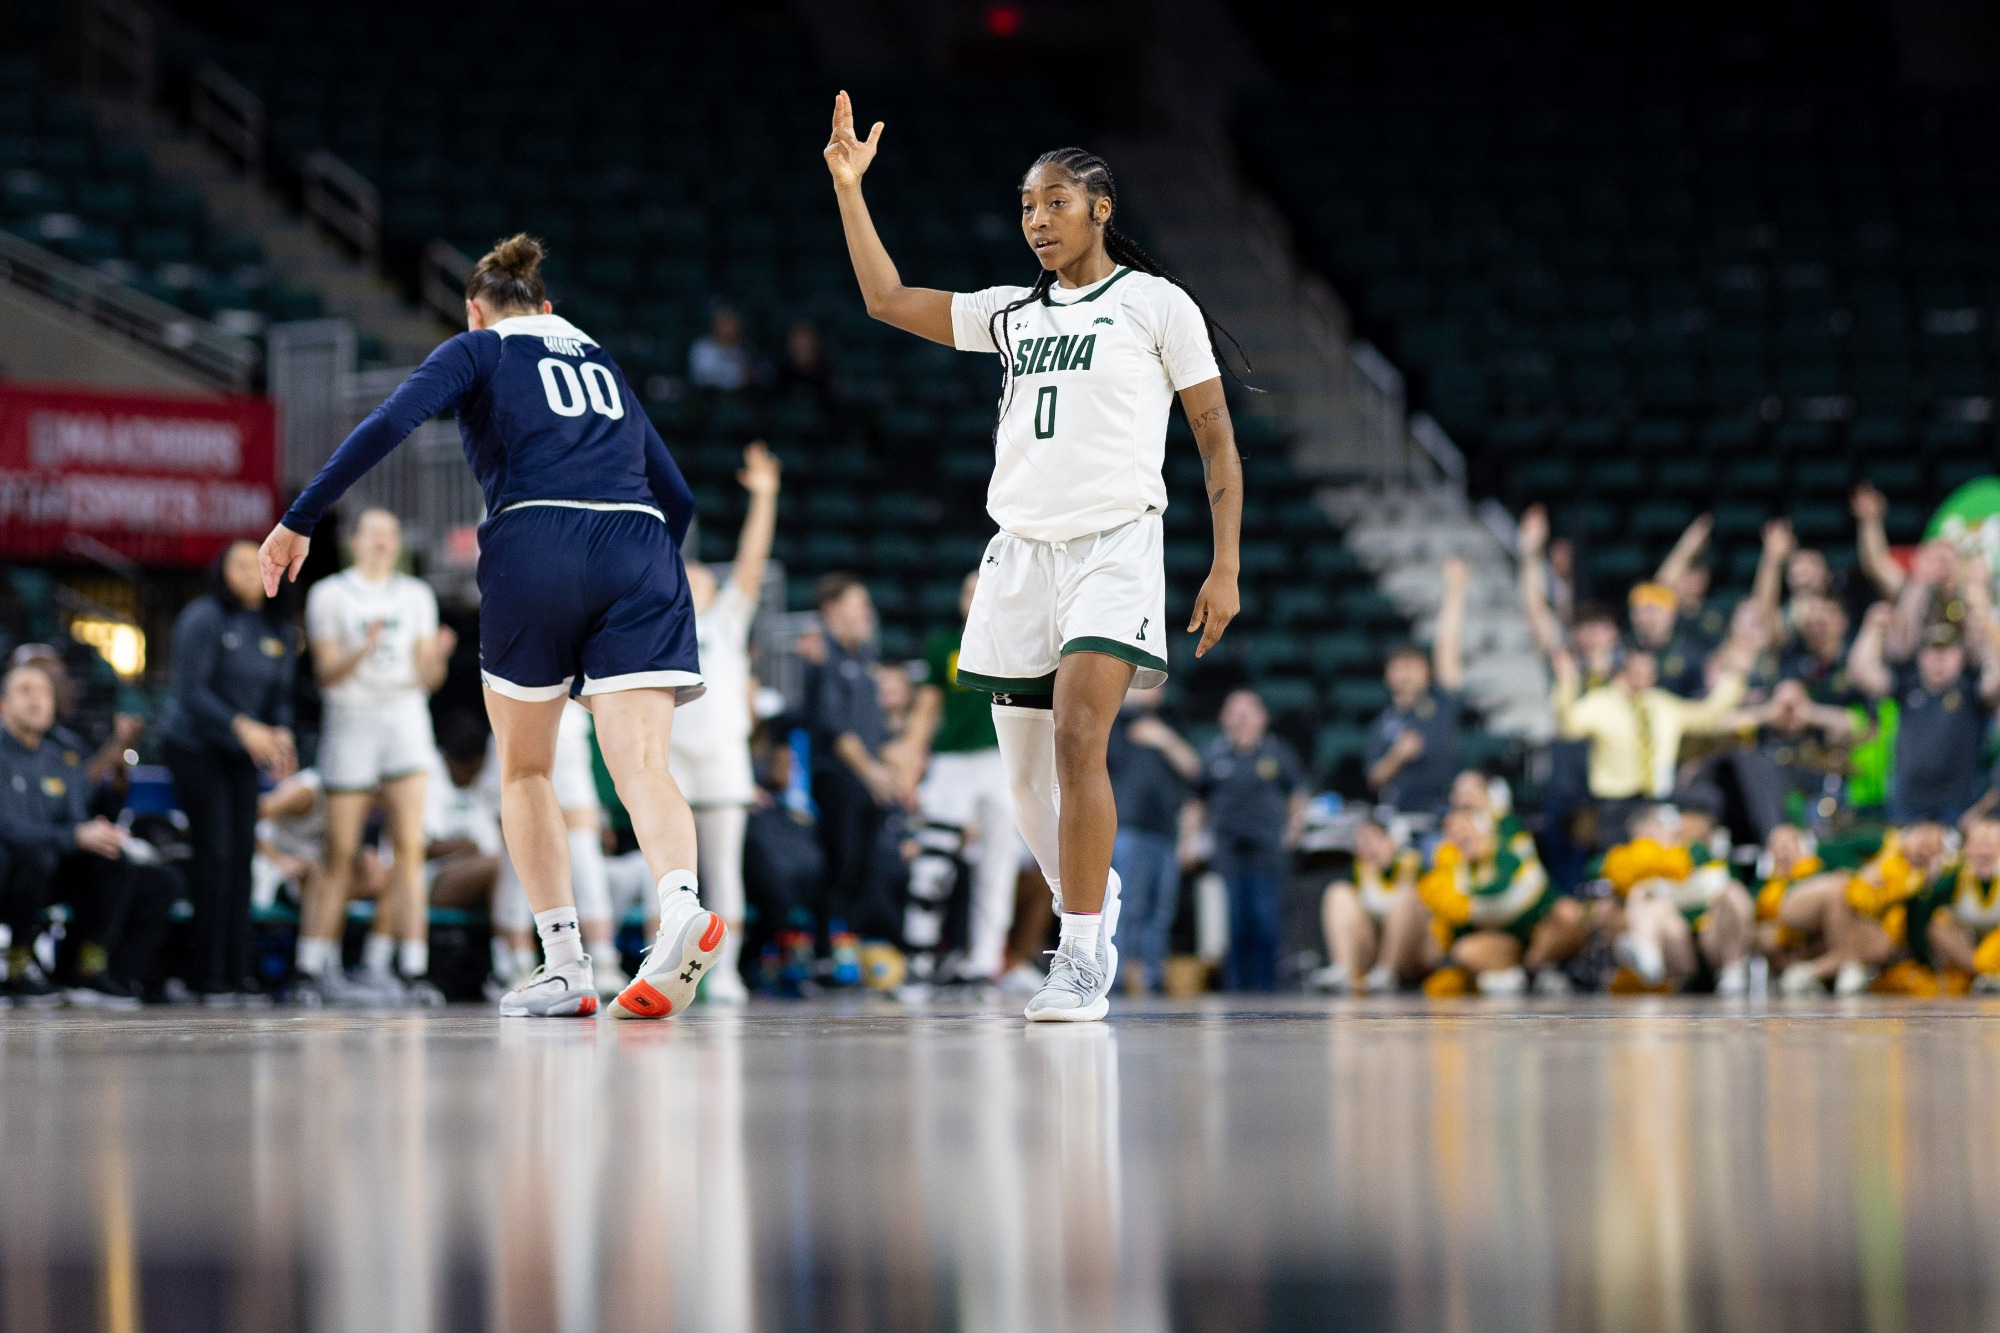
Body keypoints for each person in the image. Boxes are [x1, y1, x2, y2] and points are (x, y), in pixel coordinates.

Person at [824, 93, 1243, 1021]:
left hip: (1114, 545)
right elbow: (886, 301)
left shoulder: (1155, 304)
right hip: (1018, 554)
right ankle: (1089, 901)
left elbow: (1214, 436)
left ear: (1100, 208)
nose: (1036, 220)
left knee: (1077, 737)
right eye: (1025, 206)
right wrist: (851, 190)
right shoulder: (1013, 313)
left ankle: (1082, 953)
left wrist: (1225, 565)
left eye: (1055, 201)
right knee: (1022, 781)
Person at [259, 234, 724, 1020]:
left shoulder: (478, 349)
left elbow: (390, 421)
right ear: (547, 308)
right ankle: (679, 906)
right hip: (641, 543)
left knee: (526, 769)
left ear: (476, 312)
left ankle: (566, 964)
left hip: (535, 538)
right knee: (642, 762)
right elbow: (674, 493)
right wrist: (633, 591)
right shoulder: (600, 358)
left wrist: (300, 518)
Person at [296, 507, 455, 1004]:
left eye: (391, 533)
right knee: (339, 847)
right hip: (352, 717)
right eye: (374, 533)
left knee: (409, 845)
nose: (383, 541)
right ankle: (311, 963)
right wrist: (362, 650)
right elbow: (324, 674)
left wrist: (435, 660)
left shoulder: (417, 595)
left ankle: (411, 965)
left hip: (405, 716)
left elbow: (430, 680)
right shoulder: (330, 593)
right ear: (355, 542)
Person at [159, 539, 299, 1003]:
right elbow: (191, 693)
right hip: (196, 747)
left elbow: (280, 695)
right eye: (237, 564)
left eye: (253, 564)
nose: (247, 573)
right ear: (222, 572)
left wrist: (280, 732)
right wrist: (243, 728)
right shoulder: (204, 617)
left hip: (243, 756)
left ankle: (238, 974)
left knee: (242, 858)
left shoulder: (277, 627)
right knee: (215, 855)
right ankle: (204, 975)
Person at [667, 441, 779, 1003]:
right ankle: (661, 966)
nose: (697, 580)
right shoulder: (658, 627)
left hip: (723, 758)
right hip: (671, 760)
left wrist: (765, 497)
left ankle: (727, 971)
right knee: (668, 876)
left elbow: (752, 561)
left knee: (723, 871)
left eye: (703, 576)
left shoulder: (728, 621)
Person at [901, 571, 1030, 984]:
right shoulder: (944, 645)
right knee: (932, 864)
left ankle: (984, 960)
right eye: (967, 590)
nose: (972, 597)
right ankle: (919, 957)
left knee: (998, 864)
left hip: (1000, 761)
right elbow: (925, 709)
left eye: (981, 590)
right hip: (951, 763)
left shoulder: (1017, 639)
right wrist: (910, 764)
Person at [0, 663, 131, 1005]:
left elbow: (76, 818)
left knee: (112, 860)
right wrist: (73, 836)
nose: (36, 700)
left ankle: (85, 970)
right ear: (3, 705)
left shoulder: (63, 754)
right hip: (10, 866)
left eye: (43, 692)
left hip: (47, 867)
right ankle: (18, 966)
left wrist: (97, 832)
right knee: (34, 857)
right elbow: (9, 829)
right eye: (25, 691)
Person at [1552, 643, 1747, 849]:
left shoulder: (1661, 704)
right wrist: (1567, 680)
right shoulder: (1601, 703)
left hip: (1658, 796)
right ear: (1622, 669)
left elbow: (1708, 716)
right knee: (1618, 831)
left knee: (1709, 799)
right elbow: (1568, 726)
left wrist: (1735, 675)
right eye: (1637, 668)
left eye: (1648, 669)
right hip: (1616, 802)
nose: (1643, 675)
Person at [802, 572, 903, 954]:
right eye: (859, 604)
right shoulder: (819, 654)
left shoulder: (863, 657)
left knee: (865, 866)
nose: (867, 613)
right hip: (837, 779)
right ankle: (824, 952)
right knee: (837, 864)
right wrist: (872, 771)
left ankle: (852, 948)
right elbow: (835, 728)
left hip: (866, 782)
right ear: (833, 609)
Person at [1849, 586, 2000, 825]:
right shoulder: (1908, 686)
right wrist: (1872, 628)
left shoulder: (1971, 688)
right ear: (1920, 657)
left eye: (1947, 650)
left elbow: (1997, 677)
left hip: (1959, 811)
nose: (1938, 657)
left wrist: (1983, 617)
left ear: (1961, 656)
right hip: (1907, 808)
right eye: (1931, 650)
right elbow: (1861, 673)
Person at [1193, 690, 1307, 992]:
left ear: (1262, 717)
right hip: (1228, 852)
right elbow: (1197, 800)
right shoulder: (1214, 754)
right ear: (1224, 718)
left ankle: (1267, 991)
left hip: (1268, 852)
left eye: (1249, 711)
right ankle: (1236, 992)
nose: (1242, 718)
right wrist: (1191, 840)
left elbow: (1298, 793)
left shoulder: (1277, 753)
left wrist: (1293, 831)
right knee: (1233, 926)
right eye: (1235, 711)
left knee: (1266, 923)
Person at [1103, 683, 1199, 993]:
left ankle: (1152, 977)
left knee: (1160, 913)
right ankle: (1114, 978)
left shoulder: (1169, 724)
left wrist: (1164, 738)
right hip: (1129, 828)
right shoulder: (1115, 721)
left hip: (1165, 831)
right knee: (1127, 907)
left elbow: (1195, 770)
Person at [1365, 557, 1466, 816]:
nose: (1408, 672)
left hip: (1444, 814)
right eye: (1401, 666)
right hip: (1402, 818)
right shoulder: (1384, 722)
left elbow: (1447, 646)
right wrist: (1397, 756)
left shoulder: (1441, 702)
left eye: (1415, 665)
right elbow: (1373, 778)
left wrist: (1454, 590)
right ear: (1388, 676)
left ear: (1427, 674)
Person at [1313, 819, 1421, 994]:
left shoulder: (1411, 863)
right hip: (1371, 948)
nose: (1367, 847)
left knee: (1407, 898)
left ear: (1390, 841)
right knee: (1338, 891)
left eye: (1373, 839)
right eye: (1361, 841)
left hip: (1413, 950)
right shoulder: (1357, 870)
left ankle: (1387, 972)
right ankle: (1344, 968)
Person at [1912, 816, 2000, 991]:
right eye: (1978, 845)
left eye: (1991, 845)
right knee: (1937, 925)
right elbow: (1920, 914)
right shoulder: (1955, 876)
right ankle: (1985, 974)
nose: (1984, 853)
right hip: (1965, 950)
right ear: (1966, 849)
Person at [688, 304, 753, 392]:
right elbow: (702, 378)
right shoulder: (703, 346)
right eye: (723, 322)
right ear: (714, 324)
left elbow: (750, 378)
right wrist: (735, 377)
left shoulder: (746, 348)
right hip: (709, 398)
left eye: (731, 321)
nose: (727, 327)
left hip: (741, 398)